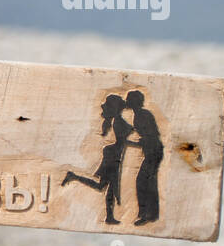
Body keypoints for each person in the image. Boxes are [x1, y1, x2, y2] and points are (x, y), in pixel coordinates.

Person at [61, 94, 132, 225]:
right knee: (105, 187)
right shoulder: (118, 122)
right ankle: (73, 176)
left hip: (113, 155)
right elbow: (121, 140)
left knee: (105, 187)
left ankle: (109, 216)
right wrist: (136, 141)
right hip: (113, 157)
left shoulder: (117, 121)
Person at [125, 90, 163, 225]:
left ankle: (148, 214)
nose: (126, 101)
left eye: (129, 99)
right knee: (146, 181)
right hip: (151, 150)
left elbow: (151, 135)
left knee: (144, 181)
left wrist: (131, 142)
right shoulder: (138, 115)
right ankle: (148, 214)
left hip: (153, 151)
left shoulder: (142, 115)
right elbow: (145, 138)